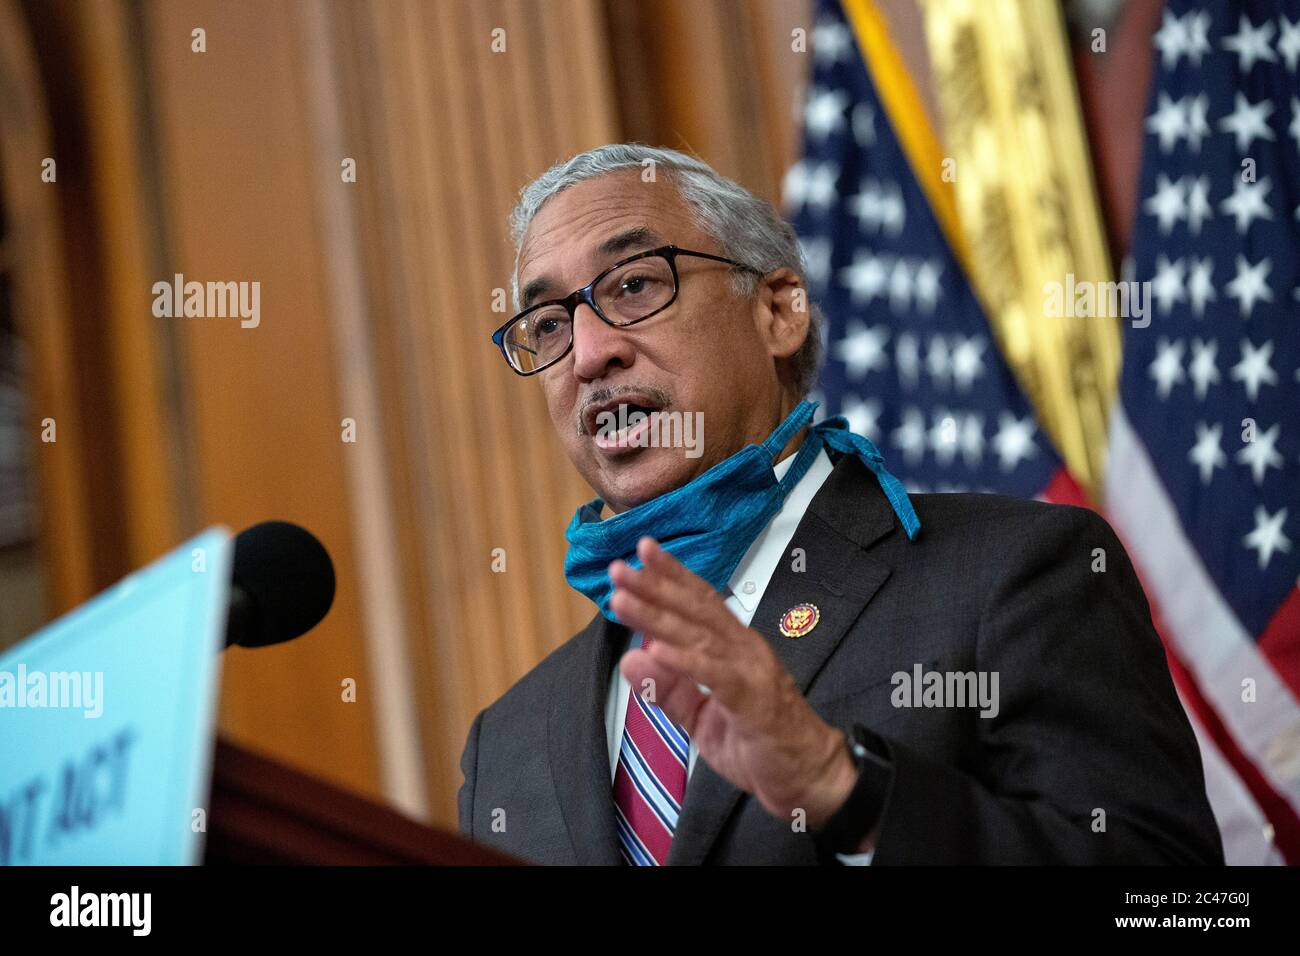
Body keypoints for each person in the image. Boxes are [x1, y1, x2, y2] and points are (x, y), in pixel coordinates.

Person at [458, 144, 1224, 866]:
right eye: (550, 323)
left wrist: (843, 788)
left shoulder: (1015, 576)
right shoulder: (510, 742)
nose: (590, 354)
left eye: (633, 285)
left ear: (779, 310)